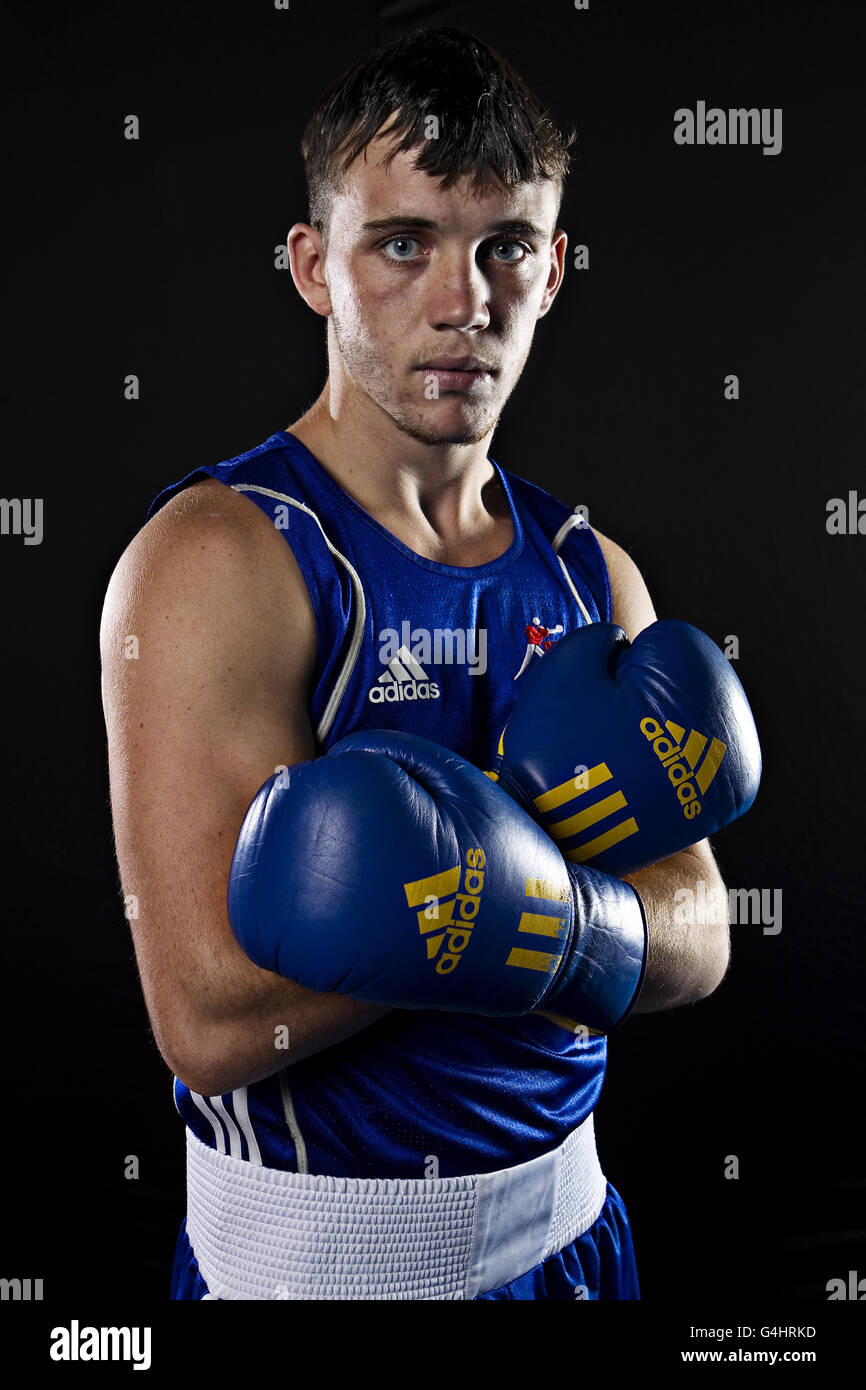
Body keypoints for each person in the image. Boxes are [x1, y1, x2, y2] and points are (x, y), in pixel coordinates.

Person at [100, 26, 732, 1300]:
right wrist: (505, 888)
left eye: (504, 246)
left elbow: (704, 927)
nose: (462, 300)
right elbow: (212, 1024)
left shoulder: (586, 570)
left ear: (551, 270)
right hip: (321, 1281)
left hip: (575, 1247)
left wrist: (544, 923)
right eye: (402, 244)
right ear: (312, 268)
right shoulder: (223, 559)